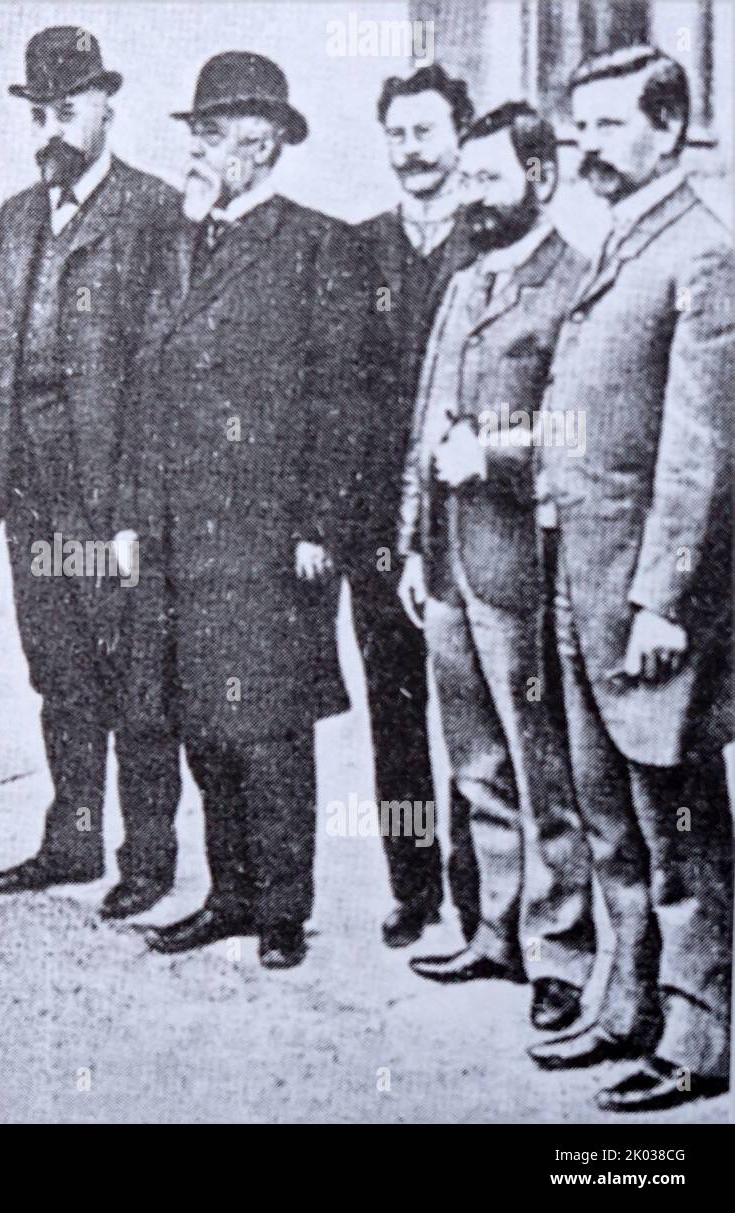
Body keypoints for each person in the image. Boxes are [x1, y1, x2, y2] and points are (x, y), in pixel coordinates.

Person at [121, 52, 380, 968]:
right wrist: (133, 517)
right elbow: (142, 385)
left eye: (213, 136)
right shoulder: (176, 243)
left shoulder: (318, 245)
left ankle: (281, 910)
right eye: (194, 133)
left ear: (262, 145)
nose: (195, 150)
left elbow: (342, 400)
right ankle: (226, 894)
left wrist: (320, 524)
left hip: (269, 537)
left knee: (268, 731)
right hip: (180, 532)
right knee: (200, 722)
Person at [527, 46, 733, 1113]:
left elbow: (698, 452)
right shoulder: (621, 237)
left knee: (679, 824)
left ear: (669, 125)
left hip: (648, 602)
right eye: (581, 126)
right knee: (605, 812)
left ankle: (699, 1040)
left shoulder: (703, 251)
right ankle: (626, 1005)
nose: (585, 145)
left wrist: (662, 599)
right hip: (580, 579)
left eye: (607, 125)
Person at [0, 27, 183, 920]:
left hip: (109, 497)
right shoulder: (17, 218)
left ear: (106, 106)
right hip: (34, 491)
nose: (52, 130)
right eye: (40, 114)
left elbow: (162, 376)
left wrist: (134, 508)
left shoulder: (155, 212)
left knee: (135, 674)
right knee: (58, 671)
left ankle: (150, 857)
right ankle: (71, 839)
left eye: (69, 111)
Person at [397, 102, 593, 1032]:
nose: (470, 197)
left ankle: (561, 955)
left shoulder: (576, 284)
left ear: (541, 178)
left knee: (542, 767)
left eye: (488, 178)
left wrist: (499, 452)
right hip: (447, 566)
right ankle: (495, 932)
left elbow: (584, 427)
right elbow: (424, 419)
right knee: (475, 764)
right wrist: (409, 540)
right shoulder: (466, 281)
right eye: (464, 178)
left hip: (522, 566)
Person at [352, 64, 481, 949]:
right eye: (398, 134)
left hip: (469, 519)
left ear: (462, 136)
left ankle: (485, 895)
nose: (412, 150)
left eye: (427, 131)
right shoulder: (359, 249)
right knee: (395, 714)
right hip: (376, 525)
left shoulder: (492, 239)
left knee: (478, 716)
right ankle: (414, 886)